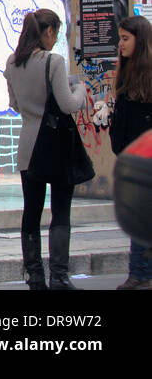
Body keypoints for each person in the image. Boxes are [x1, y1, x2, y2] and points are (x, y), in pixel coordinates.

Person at [4, 8, 87, 290]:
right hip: (56, 146)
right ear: (48, 32)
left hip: (28, 146)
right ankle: (60, 276)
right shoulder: (53, 62)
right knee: (61, 210)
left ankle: (34, 274)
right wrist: (82, 91)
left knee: (32, 211)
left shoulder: (12, 62)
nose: (55, 39)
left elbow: (14, 104)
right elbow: (68, 104)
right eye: (56, 33)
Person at [111, 15, 152, 290]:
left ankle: (140, 272)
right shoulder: (126, 72)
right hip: (134, 157)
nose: (120, 44)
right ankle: (139, 272)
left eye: (126, 39)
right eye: (120, 38)